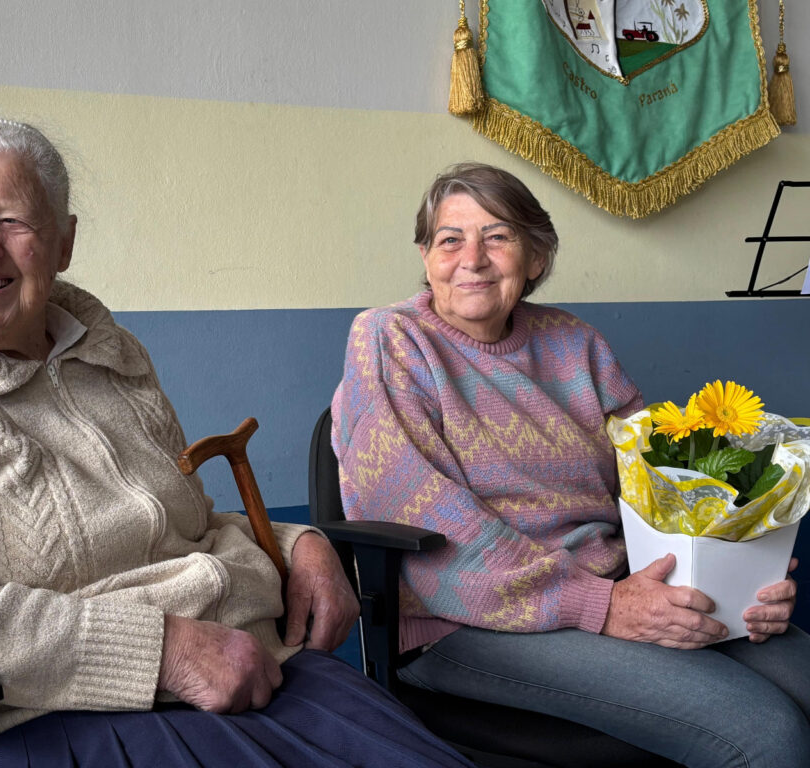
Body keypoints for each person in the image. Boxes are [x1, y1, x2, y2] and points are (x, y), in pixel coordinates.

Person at [0, 118, 472, 768]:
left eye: (13, 220)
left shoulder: (113, 353)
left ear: (64, 242)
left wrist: (302, 545)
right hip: (61, 717)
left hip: (253, 664)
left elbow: (184, 526)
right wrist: (164, 653)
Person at [331, 162, 810, 767]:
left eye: (498, 236)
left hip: (618, 587)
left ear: (536, 256)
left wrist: (737, 570)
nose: (472, 258)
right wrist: (601, 606)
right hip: (466, 619)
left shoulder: (575, 342)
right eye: (450, 239)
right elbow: (414, 511)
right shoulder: (390, 338)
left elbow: (655, 484)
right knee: (763, 731)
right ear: (426, 257)